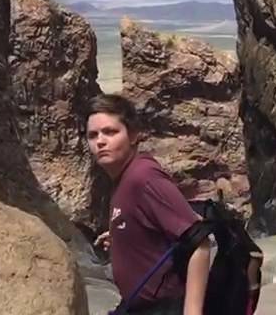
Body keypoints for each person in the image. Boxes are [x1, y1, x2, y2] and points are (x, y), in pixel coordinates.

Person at [87, 94, 211, 315]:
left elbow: (199, 242)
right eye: (93, 135)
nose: (100, 141)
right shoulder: (122, 179)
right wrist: (123, 236)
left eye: (110, 132)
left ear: (134, 135)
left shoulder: (143, 177)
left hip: (165, 308)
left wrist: (192, 311)